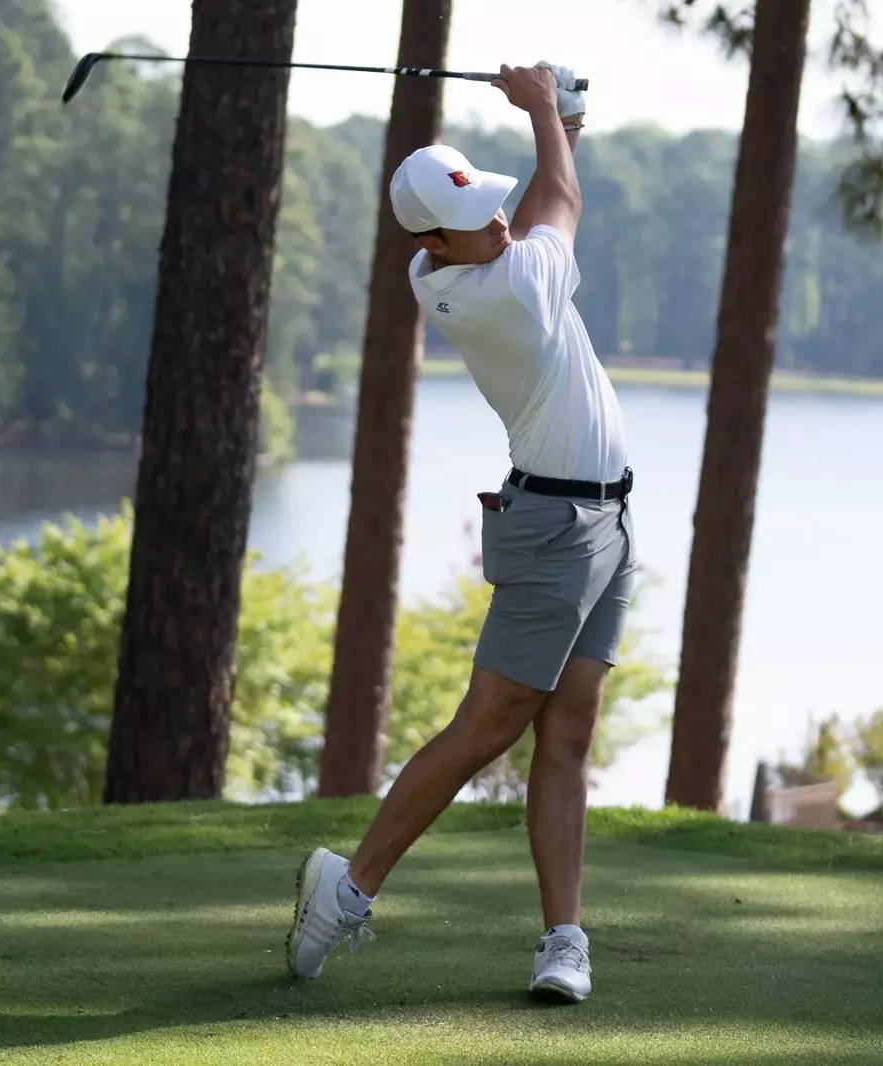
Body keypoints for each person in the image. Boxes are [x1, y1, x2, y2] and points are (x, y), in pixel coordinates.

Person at [285, 61, 635, 1005]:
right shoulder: (511, 288)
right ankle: (347, 891)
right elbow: (557, 196)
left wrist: (563, 115)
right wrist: (541, 112)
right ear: (438, 237)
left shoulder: (444, 265)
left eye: (491, 203)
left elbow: (543, 195)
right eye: (476, 213)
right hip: (556, 526)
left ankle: (564, 940)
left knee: (569, 733)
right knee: (489, 725)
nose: (497, 218)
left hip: (605, 521)